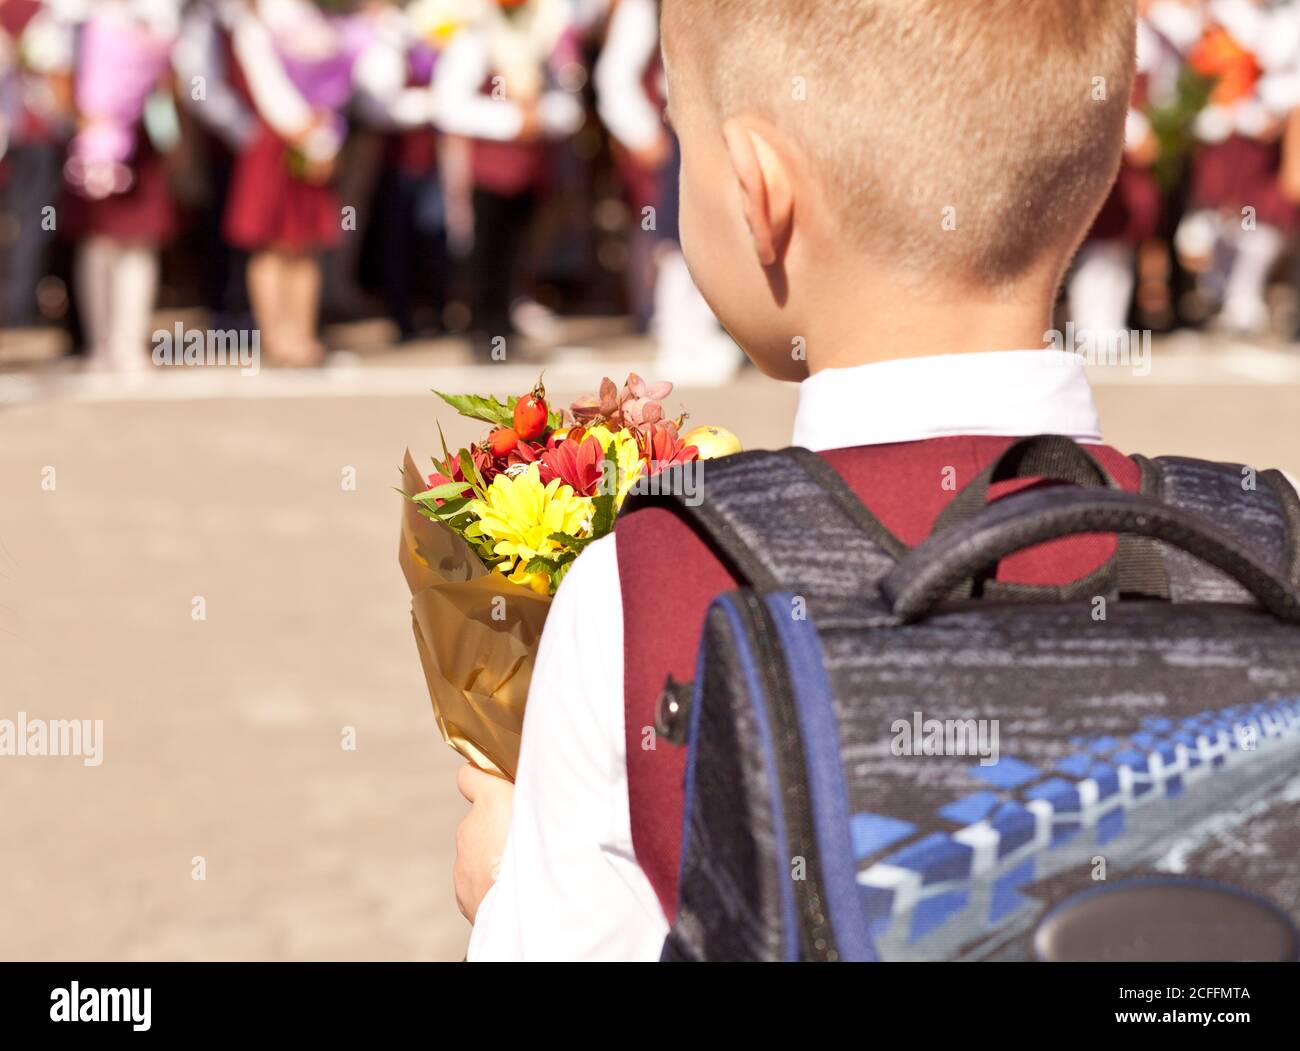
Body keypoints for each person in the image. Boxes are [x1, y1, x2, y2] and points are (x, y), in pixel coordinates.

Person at [451, 0, 1178, 961]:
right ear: (1096, 178)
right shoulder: (1250, 549)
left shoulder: (651, 582)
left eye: (683, 140)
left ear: (759, 194)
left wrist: (506, 886)